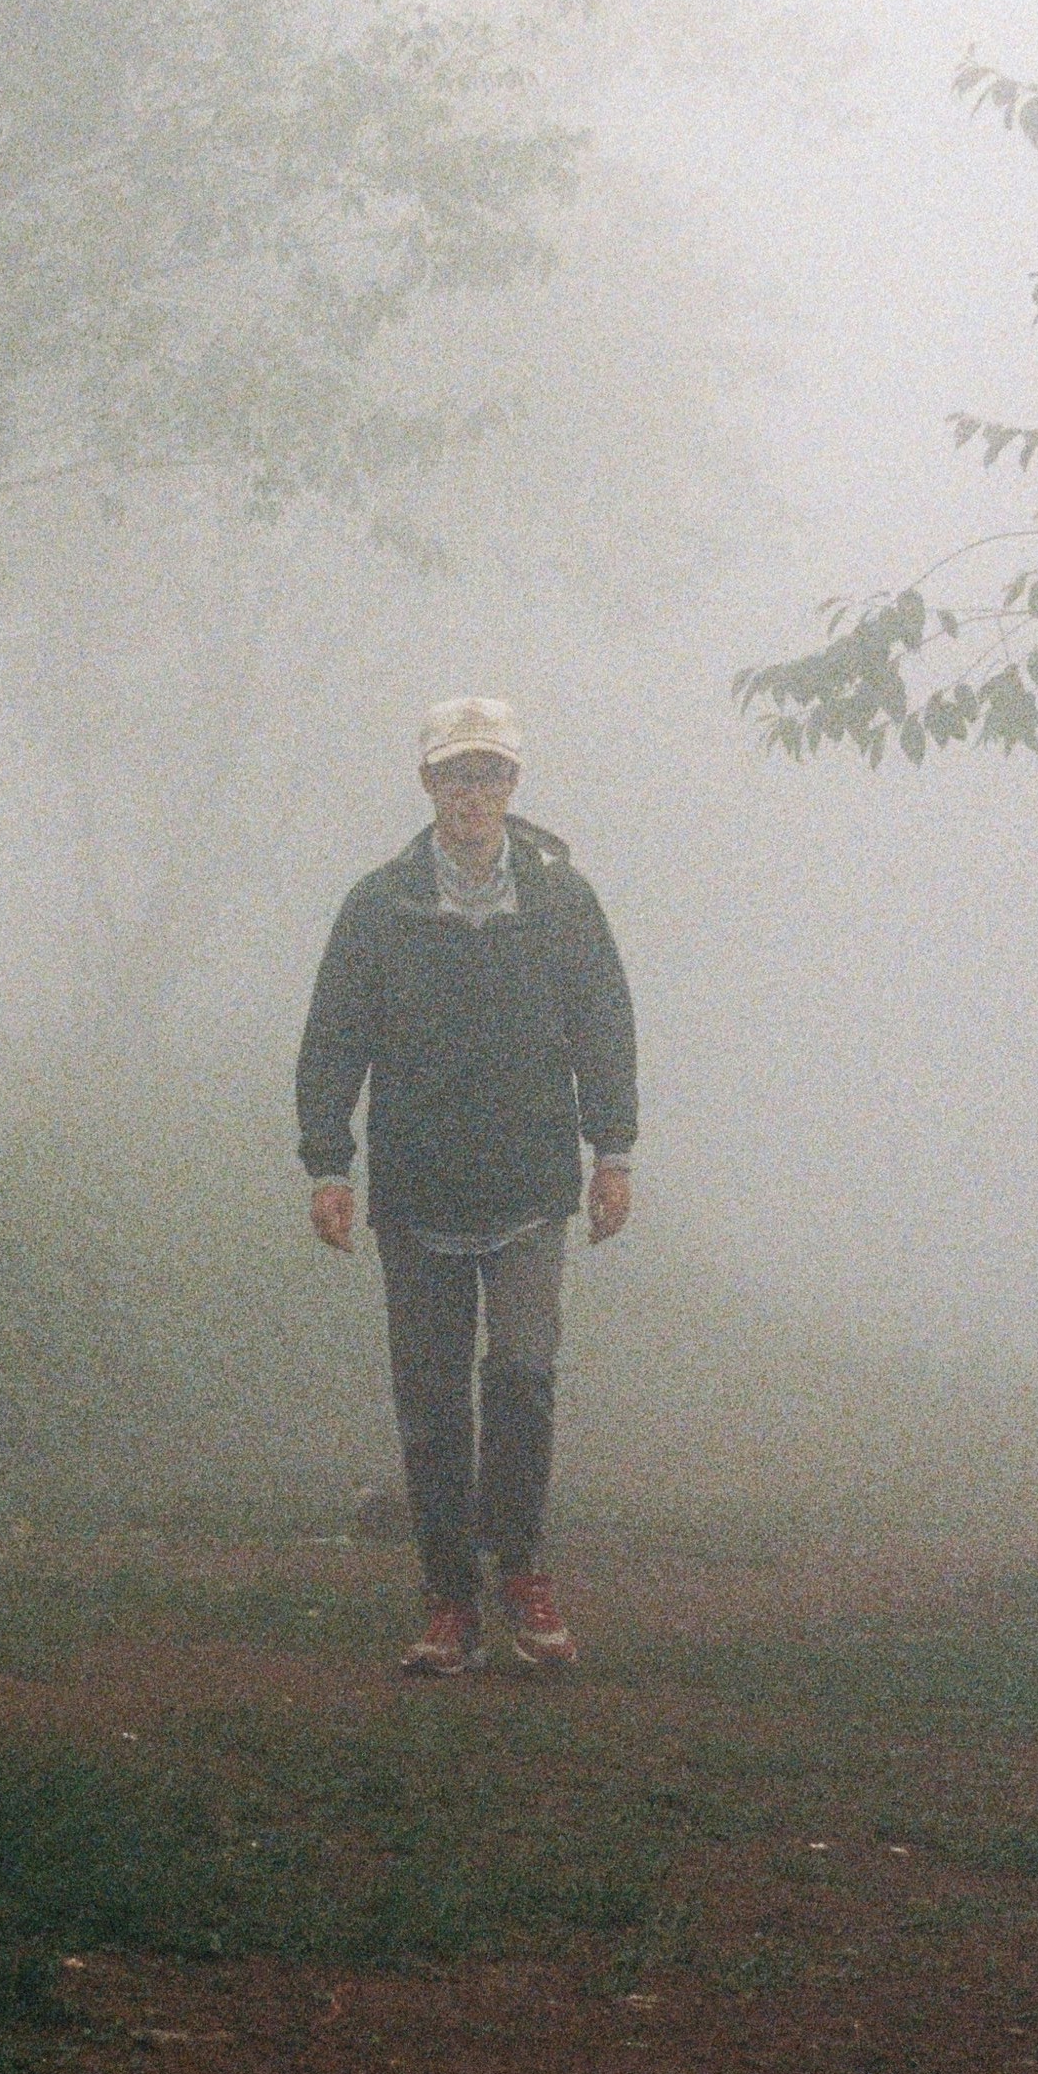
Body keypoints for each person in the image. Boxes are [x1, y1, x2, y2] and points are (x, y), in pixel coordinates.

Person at [293, 695, 638, 1678]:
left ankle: (521, 1571)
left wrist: (612, 1150)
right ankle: (448, 1599)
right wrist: (328, 1165)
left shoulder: (562, 898)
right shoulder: (378, 902)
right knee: (434, 1399)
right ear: (429, 785)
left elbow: (602, 1023)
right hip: (415, 1188)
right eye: (456, 773)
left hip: (531, 1185)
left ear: (513, 784)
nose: (473, 792)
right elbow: (334, 1035)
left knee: (522, 1378)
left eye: (489, 773)